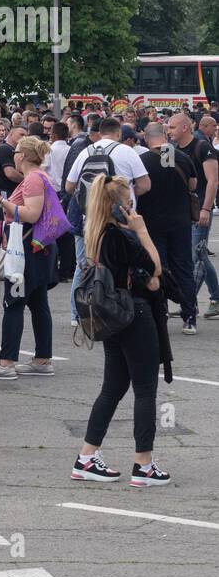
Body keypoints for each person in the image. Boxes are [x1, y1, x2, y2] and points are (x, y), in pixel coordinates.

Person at [71, 175, 171, 486]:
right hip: (134, 313)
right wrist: (141, 230)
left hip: (110, 315)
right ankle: (144, 464)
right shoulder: (123, 237)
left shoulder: (97, 233)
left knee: (112, 388)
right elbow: (155, 266)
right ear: (118, 206)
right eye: (129, 203)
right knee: (144, 390)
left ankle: (87, 456)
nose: (133, 207)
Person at [0, 137, 64, 379]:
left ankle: (6, 363)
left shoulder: (34, 179)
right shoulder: (40, 177)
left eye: (16, 151)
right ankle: (42, 359)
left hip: (25, 249)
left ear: (23, 155)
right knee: (38, 303)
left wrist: (1, 202)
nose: (13, 155)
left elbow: (32, 214)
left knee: (14, 303)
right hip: (36, 247)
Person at [65, 117, 151, 327]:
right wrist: (128, 194)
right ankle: (118, 310)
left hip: (91, 219)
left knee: (85, 265)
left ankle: (79, 314)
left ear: (99, 132)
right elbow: (145, 185)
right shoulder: (127, 152)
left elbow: (69, 186)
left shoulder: (86, 151)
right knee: (123, 264)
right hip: (123, 218)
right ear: (119, 133)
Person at [135, 122, 198, 333]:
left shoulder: (142, 161)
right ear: (165, 136)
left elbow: (139, 190)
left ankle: (159, 314)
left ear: (146, 139)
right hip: (180, 223)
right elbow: (193, 186)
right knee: (184, 269)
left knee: (157, 268)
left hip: (152, 225)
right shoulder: (182, 157)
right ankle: (189, 317)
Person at [166, 112, 219, 321]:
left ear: (184, 128)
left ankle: (188, 301)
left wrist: (206, 209)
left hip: (198, 211)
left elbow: (213, 181)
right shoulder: (169, 150)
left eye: (171, 127)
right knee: (196, 256)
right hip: (178, 213)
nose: (168, 131)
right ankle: (213, 296)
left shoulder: (202, 147)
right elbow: (166, 179)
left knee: (195, 256)